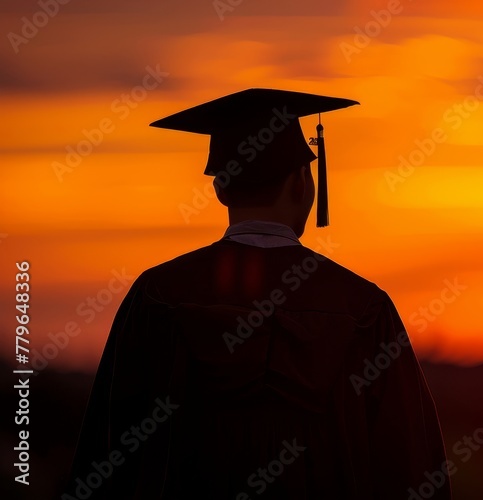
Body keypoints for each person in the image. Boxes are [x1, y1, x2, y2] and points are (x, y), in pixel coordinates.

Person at [66, 89, 451, 499]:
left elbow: (108, 450)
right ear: (303, 183)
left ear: (220, 190)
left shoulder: (159, 296)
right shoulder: (362, 308)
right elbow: (410, 461)